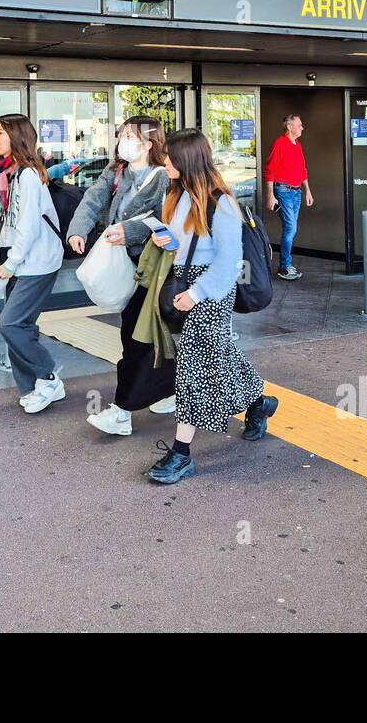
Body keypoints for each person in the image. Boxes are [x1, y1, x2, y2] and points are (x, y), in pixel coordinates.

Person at [147, 128, 279, 485]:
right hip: (185, 281)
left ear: (188, 160)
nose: (165, 161)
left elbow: (229, 261)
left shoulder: (222, 202)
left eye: (171, 156)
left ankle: (181, 453)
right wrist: (166, 239)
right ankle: (258, 403)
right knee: (219, 355)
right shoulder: (178, 195)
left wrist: (198, 293)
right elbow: (186, 244)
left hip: (211, 290)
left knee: (193, 367)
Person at [66, 116, 175, 436]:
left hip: (151, 269)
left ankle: (122, 412)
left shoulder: (163, 177)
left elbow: (165, 220)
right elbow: (92, 199)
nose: (122, 141)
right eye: (122, 135)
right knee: (147, 335)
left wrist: (132, 231)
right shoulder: (116, 171)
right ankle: (172, 389)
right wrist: (77, 230)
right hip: (123, 266)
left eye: (130, 136)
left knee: (135, 337)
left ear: (149, 143)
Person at [0, 113, 65, 413]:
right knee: (22, 326)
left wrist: (12, 263)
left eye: (0, 132)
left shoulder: (26, 175)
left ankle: (48, 377)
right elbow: (4, 224)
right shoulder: (5, 173)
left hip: (36, 262)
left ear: (17, 137)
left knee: (10, 324)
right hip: (15, 259)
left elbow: (28, 226)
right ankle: (32, 386)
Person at [263, 113, 314, 281]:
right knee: (291, 228)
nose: (302, 127)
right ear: (290, 127)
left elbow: (303, 169)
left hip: (297, 192)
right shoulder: (280, 143)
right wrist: (270, 195)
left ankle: (286, 265)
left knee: (290, 228)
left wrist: (307, 191)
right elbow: (270, 170)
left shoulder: (297, 145)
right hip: (283, 191)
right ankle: (285, 266)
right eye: (299, 125)